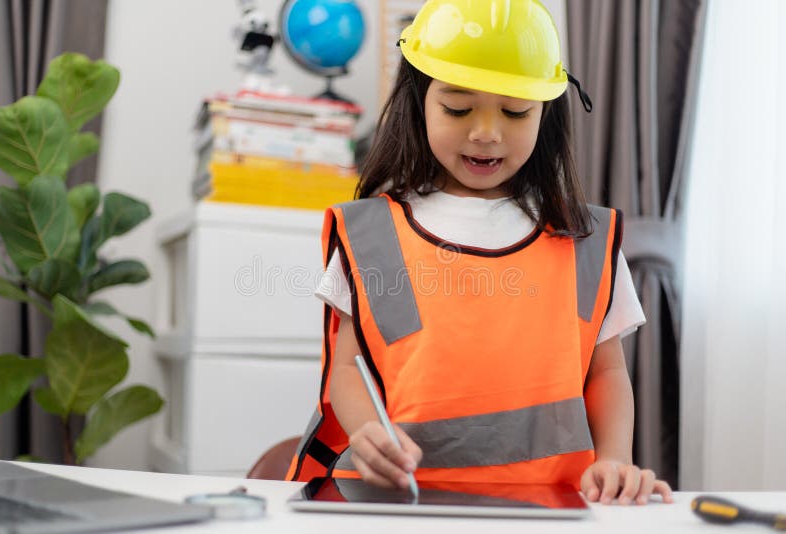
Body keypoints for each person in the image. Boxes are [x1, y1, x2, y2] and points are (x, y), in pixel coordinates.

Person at [286, 0, 674, 506]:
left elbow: (607, 373)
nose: (486, 133)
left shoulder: (586, 239)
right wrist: (365, 433)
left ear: (546, 112)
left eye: (515, 112)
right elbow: (347, 369)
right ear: (418, 99)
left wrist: (615, 459)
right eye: (457, 108)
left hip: (550, 508)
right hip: (395, 505)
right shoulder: (369, 233)